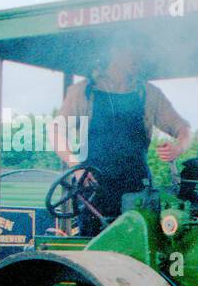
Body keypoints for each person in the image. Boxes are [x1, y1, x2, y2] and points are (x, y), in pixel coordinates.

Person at [55, 42, 191, 231]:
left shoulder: (149, 94)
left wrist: (179, 147)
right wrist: (76, 166)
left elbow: (183, 128)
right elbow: (57, 133)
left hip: (136, 189)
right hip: (94, 188)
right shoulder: (83, 92)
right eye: (134, 53)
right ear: (115, 51)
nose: (139, 59)